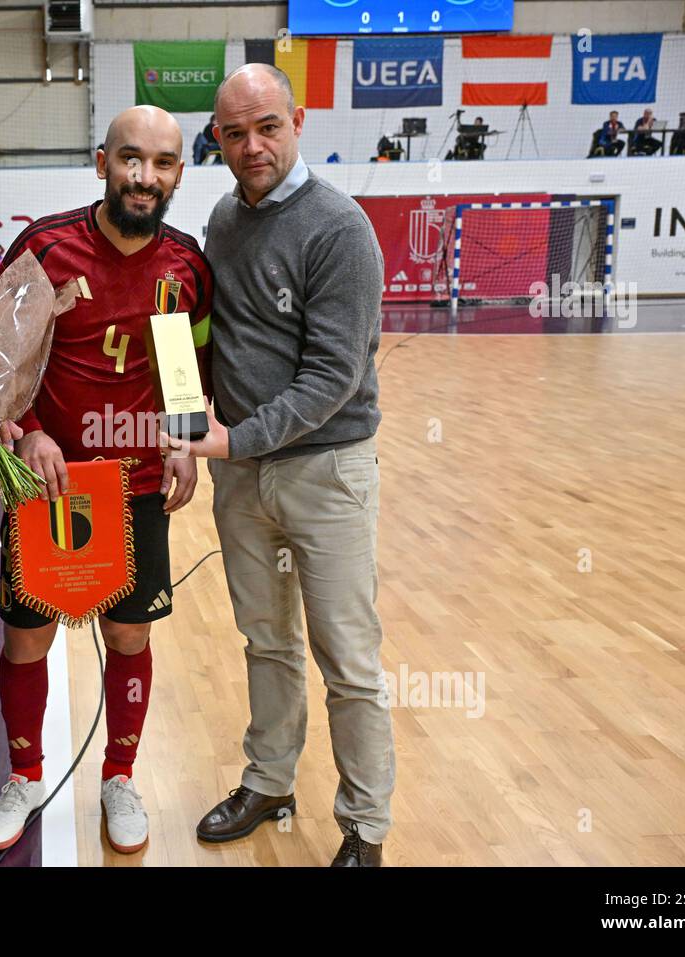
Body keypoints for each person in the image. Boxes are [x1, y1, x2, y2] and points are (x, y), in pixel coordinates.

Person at [173, 63, 393, 868]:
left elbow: (334, 377)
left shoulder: (340, 228)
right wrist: (193, 434)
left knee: (348, 658)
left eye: (267, 126)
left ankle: (366, 827)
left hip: (324, 471)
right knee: (266, 640)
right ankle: (269, 780)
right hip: (242, 475)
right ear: (219, 140)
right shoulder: (225, 219)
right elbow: (206, 343)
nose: (252, 145)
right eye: (234, 133)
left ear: (297, 121)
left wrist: (230, 441)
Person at [0, 105, 211, 857]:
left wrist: (183, 439)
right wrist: (32, 427)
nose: (145, 176)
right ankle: (23, 774)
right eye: (131, 159)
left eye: (163, 163)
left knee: (130, 631)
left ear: (178, 172)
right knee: (28, 637)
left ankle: (119, 776)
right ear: (101, 160)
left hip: (138, 483)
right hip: (46, 484)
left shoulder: (186, 262)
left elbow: (183, 360)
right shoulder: (43, 248)